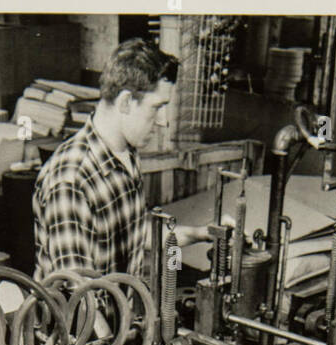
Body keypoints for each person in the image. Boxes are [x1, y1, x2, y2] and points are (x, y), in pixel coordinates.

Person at [33, 38, 210, 281]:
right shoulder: (71, 181)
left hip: (119, 313)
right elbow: (78, 301)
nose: (162, 121)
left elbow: (135, 233)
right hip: (86, 317)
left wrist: (200, 234)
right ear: (126, 102)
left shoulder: (126, 155)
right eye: (157, 107)